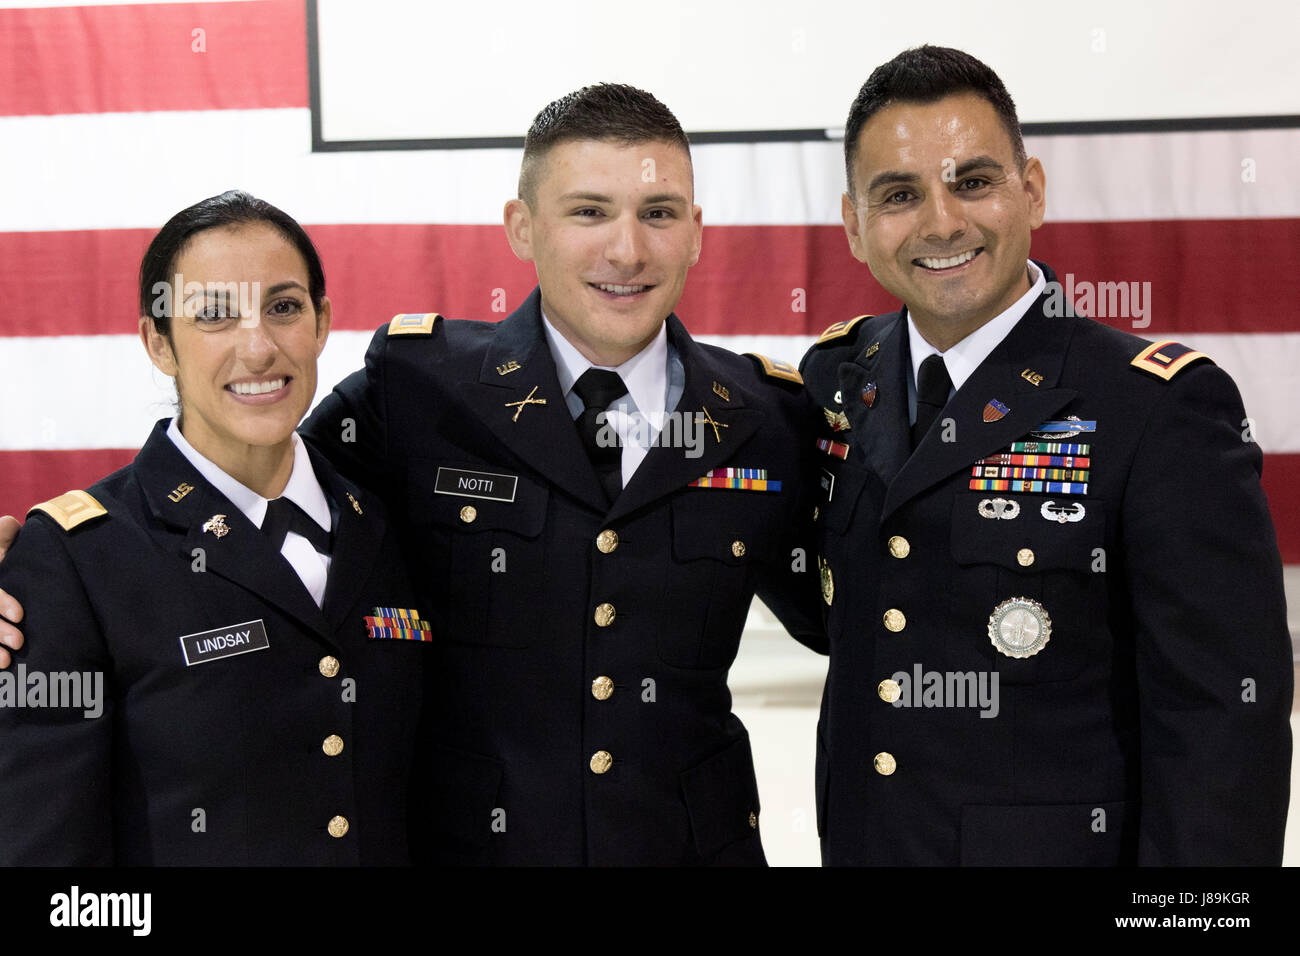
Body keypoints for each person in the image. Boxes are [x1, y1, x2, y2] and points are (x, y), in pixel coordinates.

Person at [0, 86, 825, 865]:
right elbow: (239, 475)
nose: (627, 248)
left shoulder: (769, 418)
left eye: (658, 213)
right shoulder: (422, 392)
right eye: (588, 212)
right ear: (522, 227)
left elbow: (863, 609)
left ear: (697, 229)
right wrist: (32, 569)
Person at [801, 45, 1293, 865]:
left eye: (973, 181)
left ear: (1030, 190)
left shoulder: (1157, 408)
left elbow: (1222, 725)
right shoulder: (836, 378)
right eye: (898, 195)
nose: (942, 222)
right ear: (854, 226)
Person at [0, 191, 429, 865]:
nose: (257, 349)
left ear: (322, 322)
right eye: (215, 316)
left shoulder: (389, 523)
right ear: (157, 342)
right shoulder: (73, 561)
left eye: (284, 308)